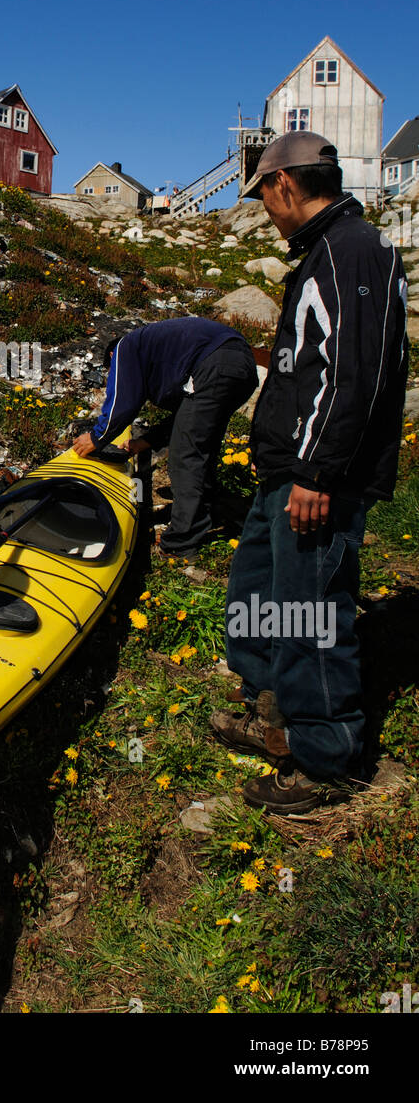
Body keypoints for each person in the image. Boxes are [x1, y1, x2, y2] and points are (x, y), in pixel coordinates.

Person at [210, 131, 408, 813]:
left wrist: (318, 474)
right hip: (287, 472)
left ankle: (326, 759)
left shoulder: (348, 251)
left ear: (283, 185)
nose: (264, 207)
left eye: (262, 194)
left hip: (317, 478)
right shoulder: (327, 251)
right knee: (259, 591)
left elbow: (353, 373)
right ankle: (273, 714)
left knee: (307, 612)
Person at [72, 317, 259, 559]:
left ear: (111, 358)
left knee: (185, 457)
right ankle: (209, 507)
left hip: (216, 363)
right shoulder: (163, 354)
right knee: (203, 445)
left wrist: (97, 438)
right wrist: (143, 443)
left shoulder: (125, 348)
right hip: (242, 366)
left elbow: (122, 402)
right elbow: (184, 420)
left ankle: (181, 543)